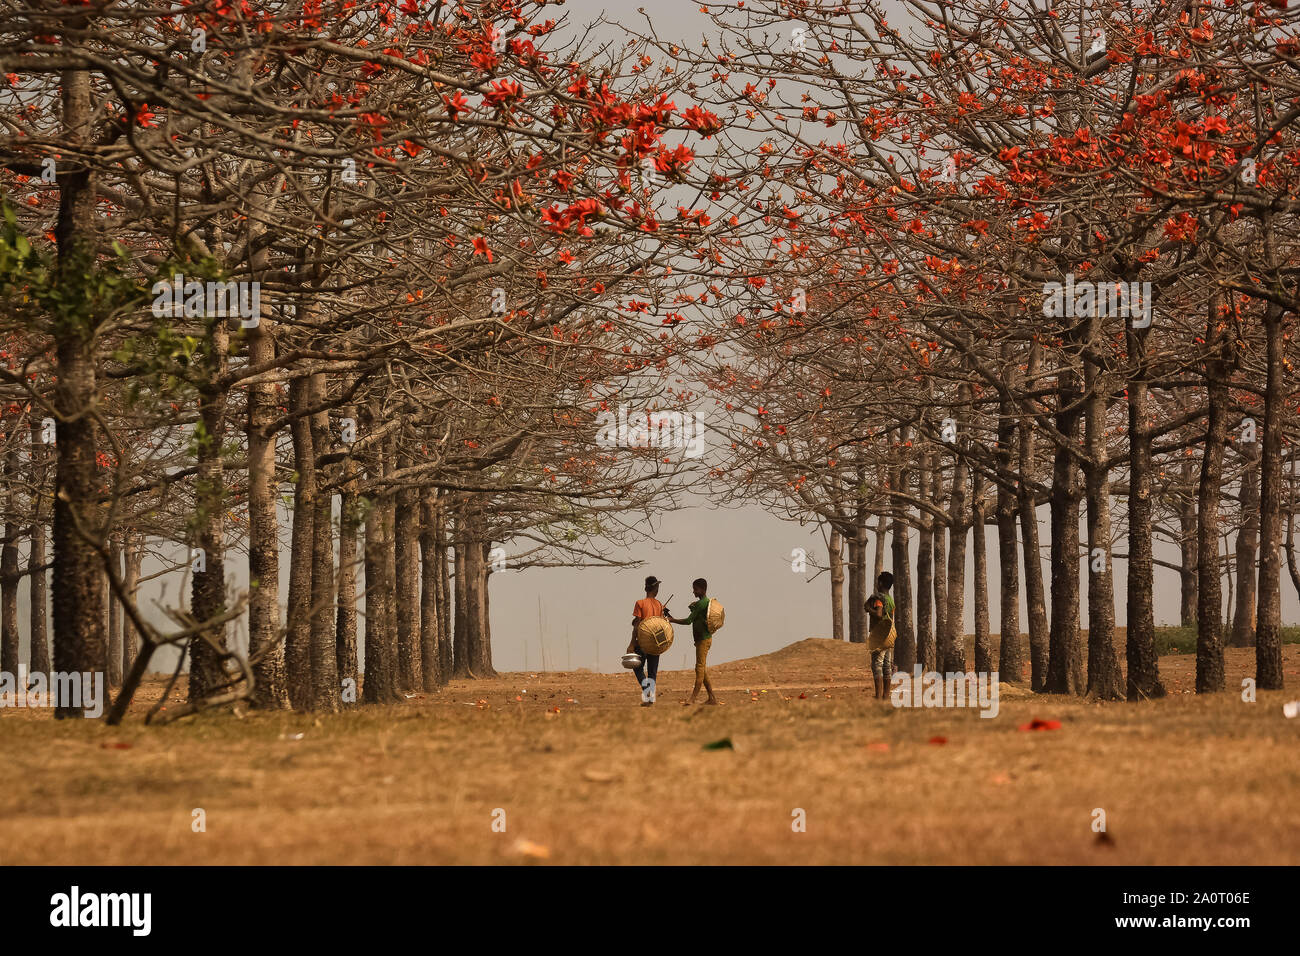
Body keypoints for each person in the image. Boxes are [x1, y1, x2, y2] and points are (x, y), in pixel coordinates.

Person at [668, 578, 719, 706]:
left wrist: (672, 620)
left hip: (703, 640)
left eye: (695, 589)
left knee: (699, 669)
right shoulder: (703, 603)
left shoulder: (701, 604)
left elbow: (688, 621)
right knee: (702, 669)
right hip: (703, 639)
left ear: (702, 589)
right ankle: (712, 698)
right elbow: (699, 618)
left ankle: (693, 698)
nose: (693, 592)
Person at [627, 575, 667, 706]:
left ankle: (647, 692)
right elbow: (660, 624)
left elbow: (637, 625)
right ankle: (650, 698)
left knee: (637, 667)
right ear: (655, 589)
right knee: (652, 672)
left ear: (646, 588)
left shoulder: (640, 603)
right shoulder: (659, 605)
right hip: (656, 642)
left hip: (643, 641)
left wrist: (631, 644)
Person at [866, 571, 897, 699]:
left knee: (877, 665)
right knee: (886, 666)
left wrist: (869, 609)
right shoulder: (891, 600)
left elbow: (879, 614)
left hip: (879, 635)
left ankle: (878, 696)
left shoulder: (879, 599)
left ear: (880, 583)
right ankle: (886, 696)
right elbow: (891, 618)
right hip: (888, 636)